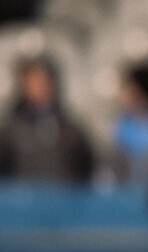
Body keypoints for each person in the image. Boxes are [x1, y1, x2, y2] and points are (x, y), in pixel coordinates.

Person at [0, 55, 95, 184]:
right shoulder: (11, 131)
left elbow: (86, 168)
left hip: (63, 201)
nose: (40, 87)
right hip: (24, 201)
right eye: (34, 81)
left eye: (44, 81)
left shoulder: (71, 131)